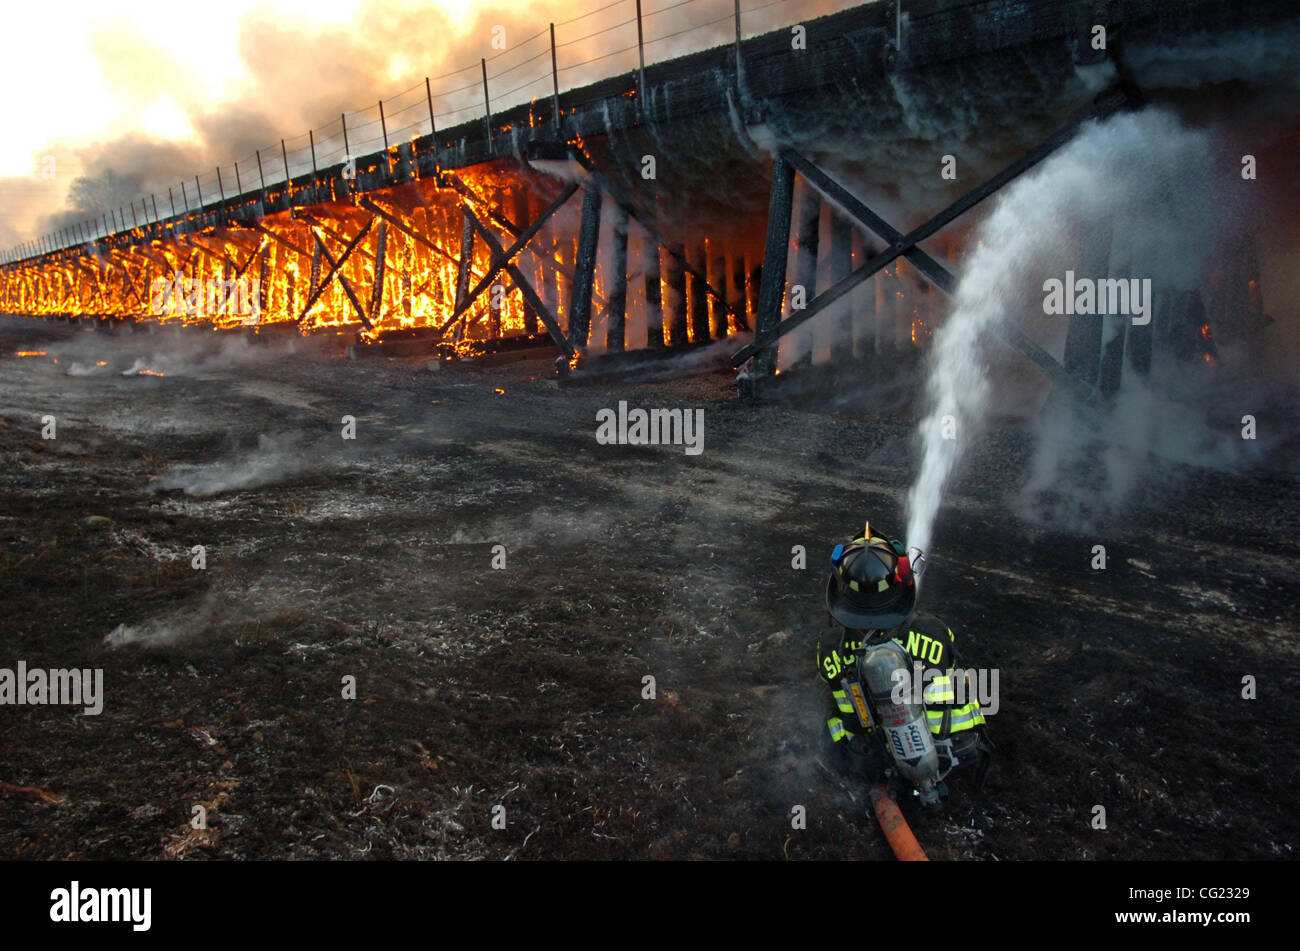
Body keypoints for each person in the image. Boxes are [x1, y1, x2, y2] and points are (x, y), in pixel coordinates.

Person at [816, 523, 991, 799]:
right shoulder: (934, 630)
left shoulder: (828, 648)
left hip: (870, 764)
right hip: (958, 756)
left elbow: (836, 704)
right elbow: (966, 685)